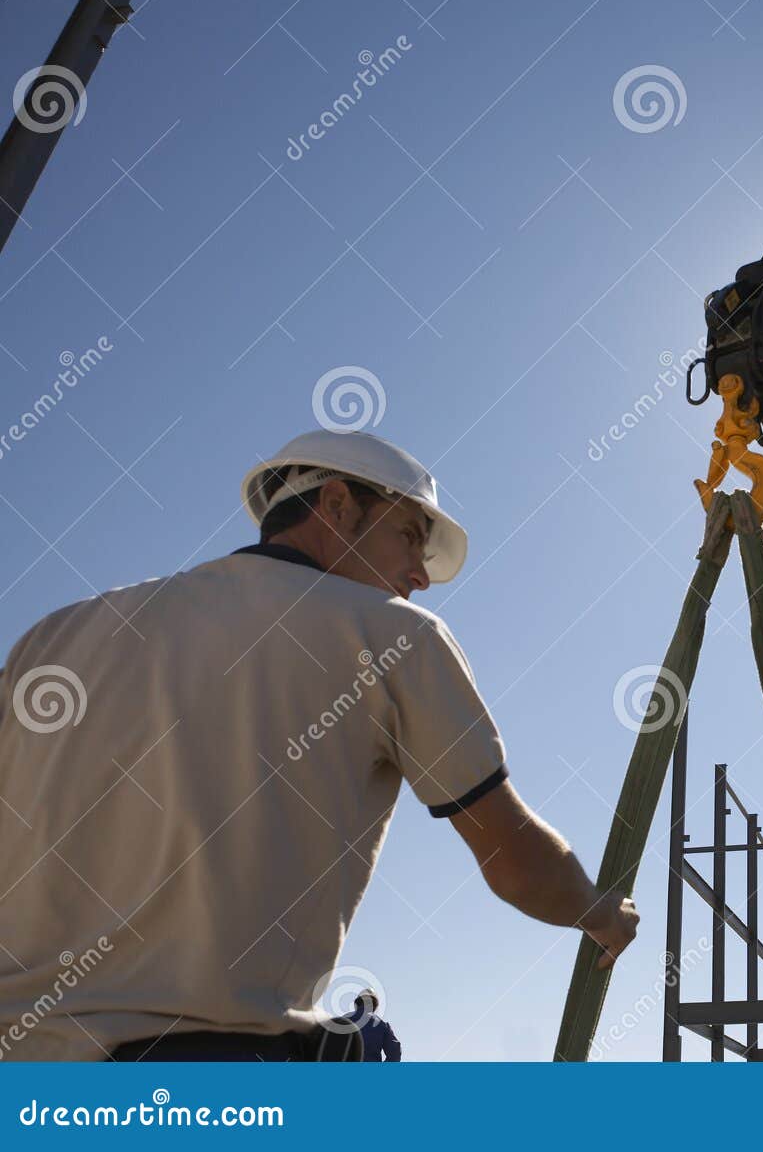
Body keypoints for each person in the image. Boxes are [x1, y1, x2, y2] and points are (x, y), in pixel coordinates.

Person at [0, 429, 637, 1061]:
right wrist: (597, 910)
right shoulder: (391, 635)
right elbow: (511, 854)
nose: (420, 574)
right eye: (409, 536)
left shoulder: (54, 638)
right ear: (336, 505)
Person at [344, 990, 402, 1062]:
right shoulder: (381, 1025)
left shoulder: (342, 1020)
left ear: (357, 1003)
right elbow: (395, 1053)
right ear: (374, 1006)